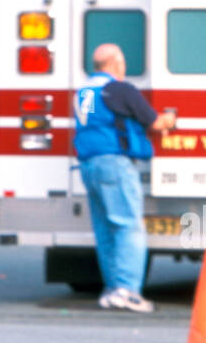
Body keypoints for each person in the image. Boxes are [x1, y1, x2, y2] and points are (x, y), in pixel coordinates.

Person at [73, 43, 176, 312]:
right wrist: (171, 119)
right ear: (115, 65)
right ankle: (128, 291)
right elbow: (154, 122)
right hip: (115, 164)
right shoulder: (120, 89)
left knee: (106, 229)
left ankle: (112, 290)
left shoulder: (83, 91)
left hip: (88, 165)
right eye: (122, 63)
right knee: (128, 226)